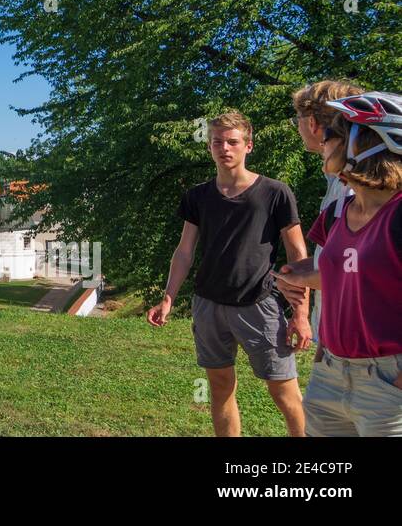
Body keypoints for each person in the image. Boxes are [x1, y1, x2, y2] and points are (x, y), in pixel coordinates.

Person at [147, 110, 311, 436]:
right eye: (217, 142)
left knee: (284, 391)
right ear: (209, 146)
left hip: (259, 303)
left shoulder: (275, 192)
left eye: (233, 142)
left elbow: (298, 254)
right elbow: (184, 251)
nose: (225, 148)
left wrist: (301, 313)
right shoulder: (197, 196)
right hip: (208, 305)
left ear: (248, 146)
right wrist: (168, 299)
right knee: (220, 389)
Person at [276, 92, 402, 436]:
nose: (323, 138)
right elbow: (354, 275)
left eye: (333, 132)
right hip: (330, 373)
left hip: (387, 383)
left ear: (367, 142)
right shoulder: (341, 212)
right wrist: (300, 276)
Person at [288, 80, 363, 360]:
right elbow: (340, 258)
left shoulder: (357, 188)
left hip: (363, 349)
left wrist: (301, 278)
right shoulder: (337, 182)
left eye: (298, 119)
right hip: (336, 342)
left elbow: (358, 273)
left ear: (312, 124)